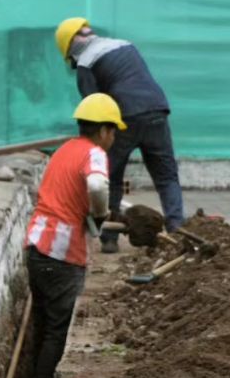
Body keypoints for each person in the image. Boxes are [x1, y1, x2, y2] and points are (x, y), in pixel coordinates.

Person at [18, 93, 124, 378]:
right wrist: (101, 212)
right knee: (57, 328)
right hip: (62, 251)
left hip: (37, 244)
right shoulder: (94, 153)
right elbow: (95, 186)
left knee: (44, 321)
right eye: (113, 131)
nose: (114, 137)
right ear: (104, 130)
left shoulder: (65, 150)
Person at [54, 17, 184, 253]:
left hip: (125, 118)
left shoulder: (86, 62)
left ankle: (109, 237)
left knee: (111, 175)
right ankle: (177, 228)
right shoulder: (125, 45)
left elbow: (93, 107)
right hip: (157, 109)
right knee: (166, 177)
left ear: (70, 47)